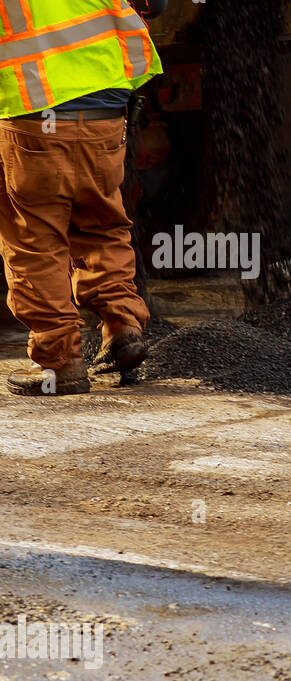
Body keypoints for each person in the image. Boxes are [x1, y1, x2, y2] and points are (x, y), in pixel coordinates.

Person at [1, 0, 164, 397]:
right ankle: (123, 328)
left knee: (34, 240)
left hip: (34, 107)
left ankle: (60, 364)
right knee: (101, 220)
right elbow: (153, 5)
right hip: (105, 104)